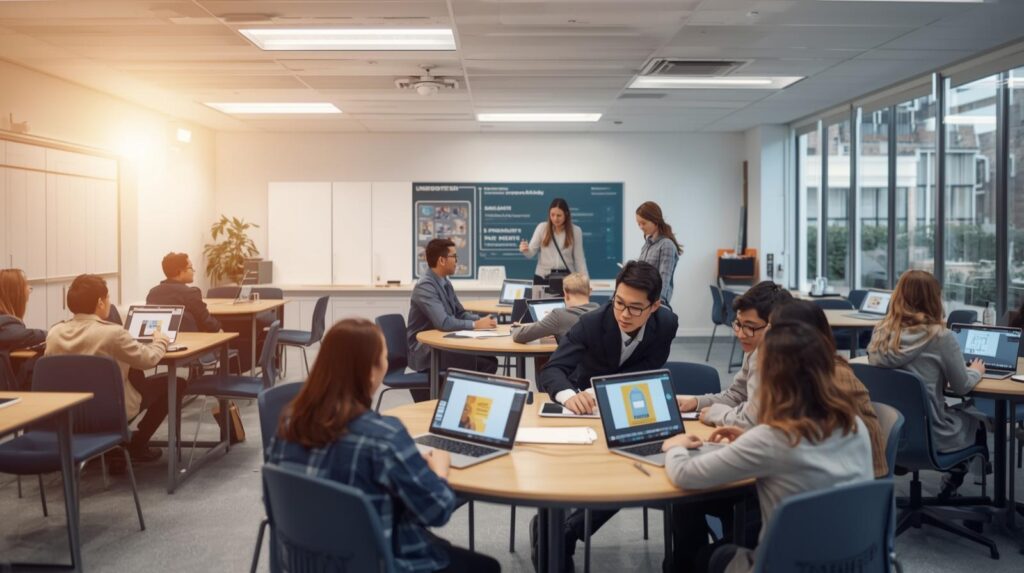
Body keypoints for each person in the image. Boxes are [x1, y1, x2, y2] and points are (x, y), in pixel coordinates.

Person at [267, 318, 500, 573]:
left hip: (309, 563)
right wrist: (440, 469)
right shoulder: (385, 437)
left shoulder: (286, 429)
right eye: (385, 358)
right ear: (371, 371)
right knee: (486, 566)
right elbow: (437, 510)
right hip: (382, 564)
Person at [663, 320, 873, 573]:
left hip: (788, 564)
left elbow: (685, 475)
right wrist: (748, 440)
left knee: (712, 557)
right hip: (855, 561)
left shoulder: (774, 437)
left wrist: (675, 447)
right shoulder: (853, 425)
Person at [534, 260, 678, 569]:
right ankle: (557, 525)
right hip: (584, 413)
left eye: (635, 308)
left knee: (638, 466)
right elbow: (553, 371)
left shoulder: (667, 324)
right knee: (617, 468)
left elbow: (647, 371)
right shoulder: (591, 323)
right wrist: (570, 396)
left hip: (631, 408)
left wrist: (611, 395)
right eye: (619, 303)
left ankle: (566, 528)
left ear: (655, 306)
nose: (624, 314)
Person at [868, 269, 985, 496]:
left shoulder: (881, 332)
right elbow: (961, 387)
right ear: (934, 298)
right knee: (977, 422)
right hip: (932, 434)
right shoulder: (941, 336)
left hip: (887, 433)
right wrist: (976, 371)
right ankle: (958, 490)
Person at [45, 274, 172, 464]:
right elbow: (149, 359)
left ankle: (109, 446)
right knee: (174, 384)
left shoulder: (54, 333)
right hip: (110, 410)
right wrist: (161, 340)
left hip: (70, 412)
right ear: (100, 302)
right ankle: (137, 443)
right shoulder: (113, 333)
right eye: (108, 297)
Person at [770, 299, 888, 478]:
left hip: (859, 478)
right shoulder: (808, 369)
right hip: (836, 466)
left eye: (773, 329)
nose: (767, 335)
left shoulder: (831, 375)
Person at [677, 282, 793, 429]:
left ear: (774, 327)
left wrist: (717, 414)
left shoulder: (781, 359)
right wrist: (697, 402)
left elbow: (754, 419)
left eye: (750, 327)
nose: (740, 334)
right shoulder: (754, 349)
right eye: (738, 324)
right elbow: (737, 395)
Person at [407, 238, 498, 402]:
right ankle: (462, 403)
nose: (457, 261)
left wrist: (483, 321)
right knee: (486, 363)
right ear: (442, 260)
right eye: (454, 256)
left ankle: (463, 401)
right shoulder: (425, 286)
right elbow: (444, 323)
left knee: (488, 359)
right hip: (426, 351)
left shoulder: (444, 282)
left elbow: (460, 313)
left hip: (442, 344)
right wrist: (476, 325)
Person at [511, 272, 599, 344]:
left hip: (570, 365)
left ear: (566, 294)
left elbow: (519, 336)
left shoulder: (559, 316)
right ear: (590, 291)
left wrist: (515, 329)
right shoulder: (602, 312)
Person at [146, 252, 221, 332]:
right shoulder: (190, 293)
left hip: (163, 339)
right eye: (190, 268)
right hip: (194, 340)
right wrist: (220, 328)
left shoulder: (153, 293)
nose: (193, 271)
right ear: (180, 271)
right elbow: (207, 321)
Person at [519, 198, 588, 282]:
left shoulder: (576, 231)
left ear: (566, 214)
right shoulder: (542, 228)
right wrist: (525, 249)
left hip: (567, 280)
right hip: (543, 277)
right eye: (552, 215)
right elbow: (530, 254)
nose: (555, 218)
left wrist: (585, 282)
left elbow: (579, 260)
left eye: (559, 215)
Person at [0, 269, 47, 390]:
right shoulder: (5, 323)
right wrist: (55, 333)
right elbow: (20, 335)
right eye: (26, 285)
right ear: (15, 293)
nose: (29, 290)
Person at [635, 201, 683, 308]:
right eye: (638, 224)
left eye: (643, 223)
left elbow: (664, 279)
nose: (640, 227)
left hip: (654, 303)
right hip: (642, 298)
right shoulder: (647, 243)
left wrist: (658, 305)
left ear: (655, 221)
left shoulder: (666, 245)